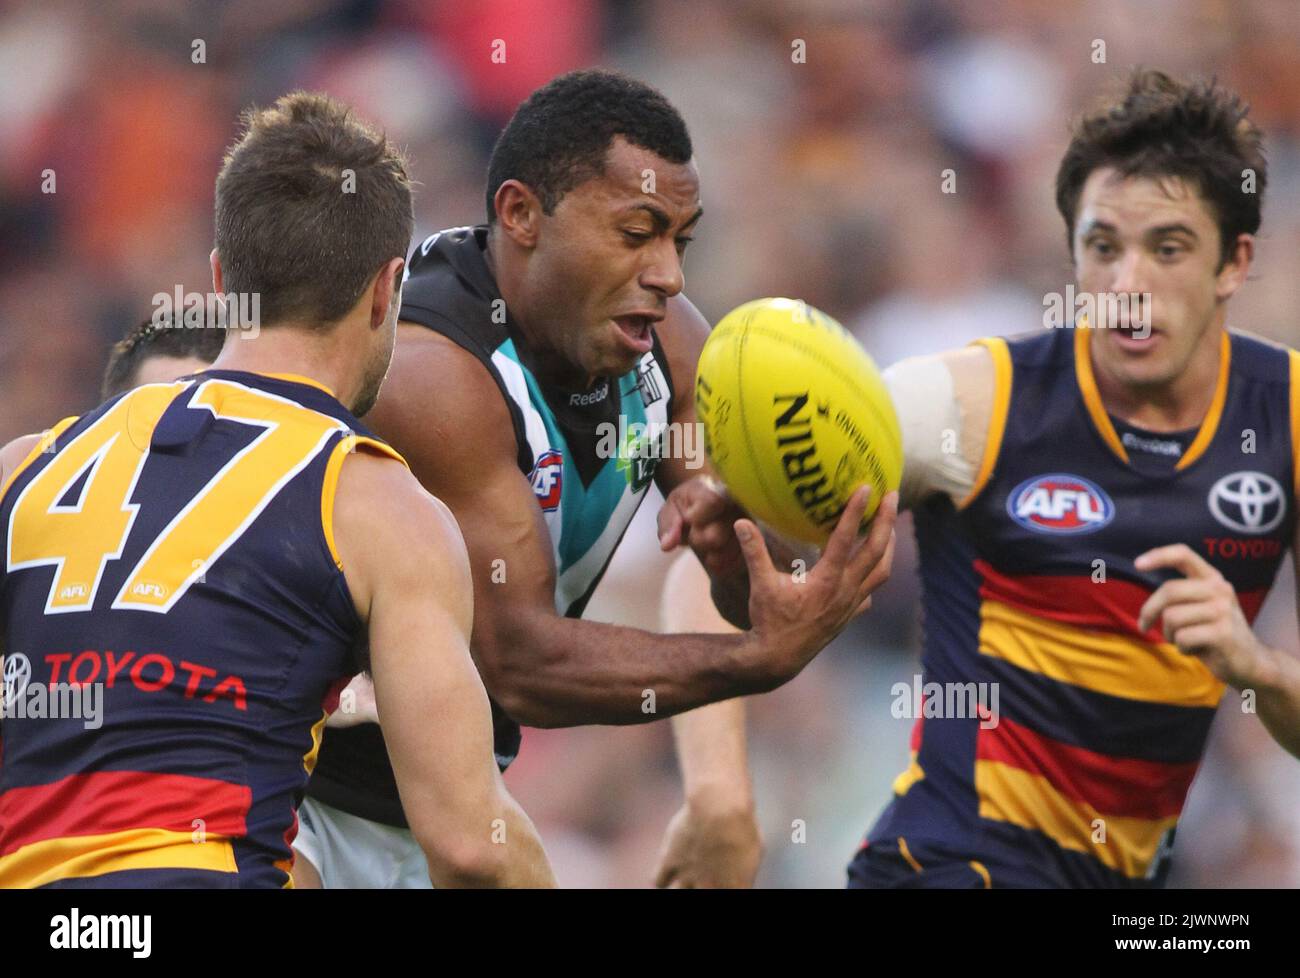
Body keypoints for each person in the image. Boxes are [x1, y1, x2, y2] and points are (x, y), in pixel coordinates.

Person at [296, 69, 898, 888]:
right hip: (299, 805)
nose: (669, 275)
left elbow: (747, 573)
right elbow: (522, 663)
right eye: (637, 232)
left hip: (448, 805)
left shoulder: (674, 344)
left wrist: (753, 568)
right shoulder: (435, 375)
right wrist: (759, 657)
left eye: (678, 241)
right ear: (520, 215)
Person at [0, 92, 553, 888]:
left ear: (222, 279)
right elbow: (473, 845)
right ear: (385, 290)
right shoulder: (375, 503)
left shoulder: (29, 465)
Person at [849, 69, 1300, 888]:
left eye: (1167, 248)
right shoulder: (969, 401)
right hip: (954, 864)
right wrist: (719, 790)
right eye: (1102, 249)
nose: (1126, 285)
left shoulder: (1290, 419)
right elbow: (739, 526)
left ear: (1233, 263)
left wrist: (1259, 667)